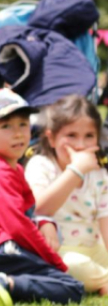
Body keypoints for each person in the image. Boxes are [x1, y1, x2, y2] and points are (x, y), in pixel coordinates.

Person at [0, 88, 84, 306]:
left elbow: (28, 214)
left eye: (23, 124)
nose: (17, 133)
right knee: (72, 287)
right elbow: (18, 226)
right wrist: (52, 259)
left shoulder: (12, 169)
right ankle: (4, 282)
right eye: (6, 126)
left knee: (63, 281)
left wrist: (44, 224)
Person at [25, 94, 108, 295]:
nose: (80, 144)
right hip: (60, 251)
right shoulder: (40, 165)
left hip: (93, 248)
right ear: (52, 138)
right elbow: (39, 208)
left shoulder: (98, 173)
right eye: (71, 135)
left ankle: (100, 278)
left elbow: (105, 221)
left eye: (89, 136)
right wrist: (76, 170)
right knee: (75, 266)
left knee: (91, 262)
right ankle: (101, 280)